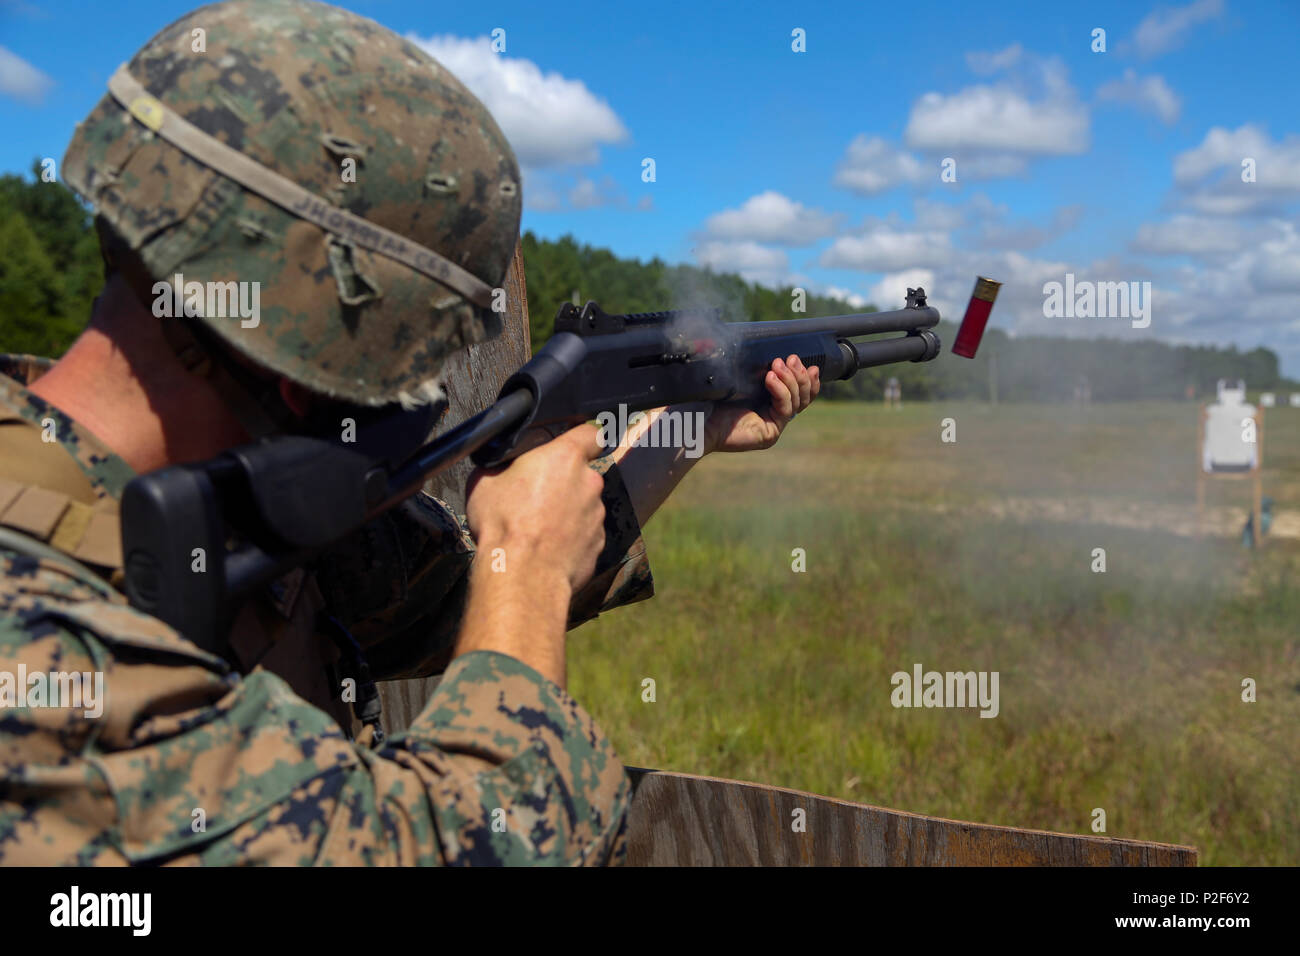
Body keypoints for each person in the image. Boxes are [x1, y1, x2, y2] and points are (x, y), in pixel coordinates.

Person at [0, 0, 819, 865]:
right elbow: (487, 841)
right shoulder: (46, 659)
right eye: (412, 366)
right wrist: (530, 570)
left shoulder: (190, 512)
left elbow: (440, 602)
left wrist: (677, 430)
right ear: (312, 356)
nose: (416, 399)